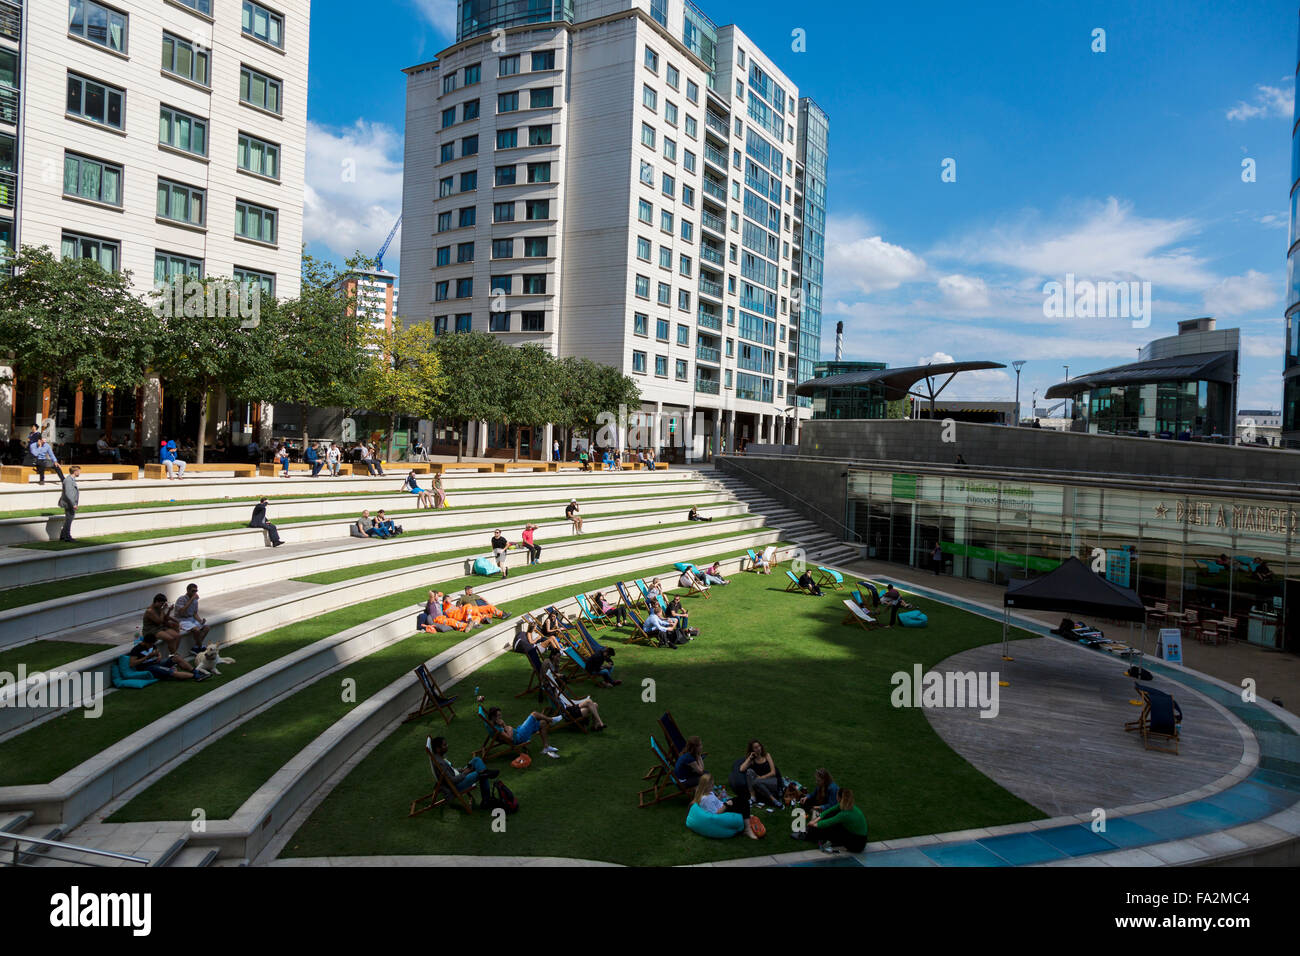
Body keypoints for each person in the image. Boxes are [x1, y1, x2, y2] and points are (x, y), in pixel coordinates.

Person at [429, 735, 500, 804]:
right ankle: (486, 799)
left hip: (458, 775)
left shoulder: (438, 757)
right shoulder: (440, 763)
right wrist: (465, 773)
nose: (447, 746)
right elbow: (452, 781)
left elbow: (451, 769)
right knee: (480, 774)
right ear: (438, 749)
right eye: (444, 745)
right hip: (456, 786)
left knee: (476, 760)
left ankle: (485, 773)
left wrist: (462, 770)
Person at [687, 774, 758, 840]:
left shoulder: (708, 793)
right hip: (723, 811)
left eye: (712, 784)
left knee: (741, 799)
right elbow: (715, 815)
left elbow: (714, 803)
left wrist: (719, 797)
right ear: (705, 786)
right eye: (711, 785)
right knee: (744, 802)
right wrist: (726, 805)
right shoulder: (706, 799)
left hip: (723, 805)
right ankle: (747, 829)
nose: (713, 786)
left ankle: (745, 816)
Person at [796, 789, 868, 854]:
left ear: (839, 798)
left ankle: (812, 835)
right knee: (832, 814)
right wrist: (816, 819)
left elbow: (828, 822)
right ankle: (816, 835)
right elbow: (829, 810)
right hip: (859, 838)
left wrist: (813, 824)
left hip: (857, 845)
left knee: (833, 827)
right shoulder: (848, 806)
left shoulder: (844, 814)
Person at [486, 704, 560, 758]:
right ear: (493, 717)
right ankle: (552, 720)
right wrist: (506, 726)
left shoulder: (489, 724)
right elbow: (510, 739)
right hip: (520, 737)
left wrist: (507, 728)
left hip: (518, 732)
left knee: (542, 723)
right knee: (534, 714)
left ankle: (546, 747)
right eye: (499, 715)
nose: (500, 717)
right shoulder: (497, 728)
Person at [129, 631, 206, 682]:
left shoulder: (151, 645)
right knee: (172, 672)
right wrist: (147, 657)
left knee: (176, 658)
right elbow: (132, 664)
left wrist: (159, 656)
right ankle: (196, 676)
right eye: (151, 645)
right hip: (148, 668)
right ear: (146, 642)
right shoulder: (136, 649)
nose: (151, 646)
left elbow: (158, 651)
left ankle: (195, 671)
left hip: (157, 663)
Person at [738, 739, 782, 807]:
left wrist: (761, 778)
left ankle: (773, 800)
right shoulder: (752, 760)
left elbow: (773, 772)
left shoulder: (767, 756)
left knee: (756, 782)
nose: (758, 748)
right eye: (755, 747)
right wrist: (750, 757)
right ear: (752, 750)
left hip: (772, 781)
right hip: (760, 783)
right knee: (749, 772)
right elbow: (741, 769)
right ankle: (753, 797)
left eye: (759, 746)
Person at [172, 582, 211, 649]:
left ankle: (196, 647)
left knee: (206, 627)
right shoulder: (181, 599)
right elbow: (181, 612)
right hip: (182, 620)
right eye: (193, 591)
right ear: (188, 590)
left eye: (196, 591)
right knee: (196, 630)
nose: (195, 592)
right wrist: (191, 599)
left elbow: (195, 613)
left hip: (191, 619)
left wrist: (200, 621)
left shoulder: (195, 600)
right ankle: (200, 646)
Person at [57, 465, 80, 542]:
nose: (79, 472)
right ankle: (67, 536)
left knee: (69, 519)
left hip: (70, 503)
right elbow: (68, 494)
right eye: (78, 471)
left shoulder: (71, 479)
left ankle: (63, 535)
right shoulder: (69, 480)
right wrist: (73, 504)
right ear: (75, 471)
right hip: (69, 504)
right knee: (69, 520)